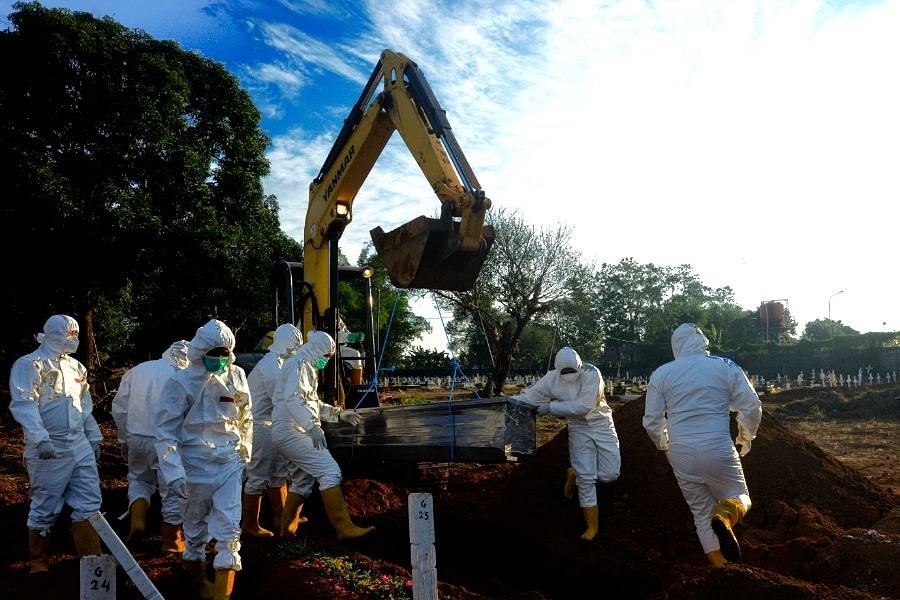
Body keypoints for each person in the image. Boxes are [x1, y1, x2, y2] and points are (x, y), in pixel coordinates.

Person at [642, 323, 762, 567]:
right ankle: (725, 516)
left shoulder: (661, 374)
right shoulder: (725, 366)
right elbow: (751, 407)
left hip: (681, 453)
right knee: (741, 497)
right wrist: (746, 435)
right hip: (718, 447)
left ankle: (722, 569)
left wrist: (664, 447)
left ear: (675, 346)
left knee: (700, 514)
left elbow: (652, 421)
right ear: (703, 341)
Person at [155, 319, 252, 600]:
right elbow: (165, 431)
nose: (221, 360)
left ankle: (221, 594)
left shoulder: (236, 376)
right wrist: (173, 471)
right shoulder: (180, 382)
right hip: (193, 465)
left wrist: (245, 450)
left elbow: (246, 416)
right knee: (195, 531)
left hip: (228, 463)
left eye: (225, 354)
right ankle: (197, 581)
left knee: (229, 530)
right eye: (215, 354)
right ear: (200, 352)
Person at [8, 314, 104, 574]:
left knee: (89, 501)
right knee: (45, 504)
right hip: (50, 448)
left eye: (76, 335)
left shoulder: (76, 367)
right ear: (52, 334)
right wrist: (40, 438)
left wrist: (93, 437)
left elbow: (84, 406)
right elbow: (24, 404)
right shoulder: (30, 365)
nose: (73, 340)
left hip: (78, 444)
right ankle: (39, 561)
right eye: (68, 335)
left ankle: (91, 559)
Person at [508, 347, 621, 542]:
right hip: (578, 428)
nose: (569, 375)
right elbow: (530, 396)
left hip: (601, 423)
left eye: (572, 371)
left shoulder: (591, 373)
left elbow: (584, 406)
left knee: (610, 474)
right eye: (564, 372)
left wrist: (551, 407)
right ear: (558, 369)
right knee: (587, 478)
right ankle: (591, 527)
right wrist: (507, 402)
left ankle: (574, 472)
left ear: (579, 366)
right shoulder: (551, 378)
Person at [271, 330, 374, 540]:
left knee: (302, 480)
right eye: (326, 356)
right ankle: (343, 528)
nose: (326, 361)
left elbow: (312, 403)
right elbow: (294, 400)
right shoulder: (298, 366)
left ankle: (286, 532)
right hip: (292, 431)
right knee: (330, 471)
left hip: (292, 430)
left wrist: (338, 414)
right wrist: (312, 427)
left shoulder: (305, 367)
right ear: (317, 350)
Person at [111, 339, 190, 553]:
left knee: (138, 479)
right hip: (167, 440)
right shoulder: (184, 376)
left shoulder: (139, 370)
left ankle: (137, 522)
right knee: (171, 487)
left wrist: (124, 438)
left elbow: (119, 408)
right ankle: (172, 541)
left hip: (137, 435)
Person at [243, 323, 303, 537]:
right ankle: (250, 525)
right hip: (261, 427)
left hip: (272, 425)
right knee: (257, 477)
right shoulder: (271, 367)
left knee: (278, 475)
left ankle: (282, 518)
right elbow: (284, 399)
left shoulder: (277, 363)